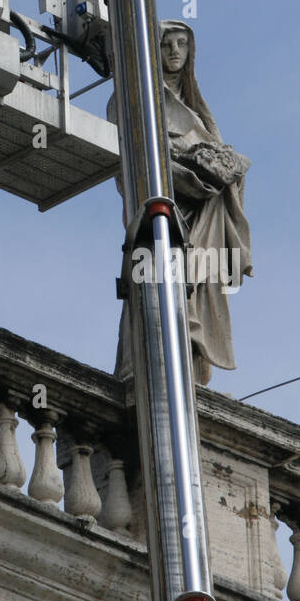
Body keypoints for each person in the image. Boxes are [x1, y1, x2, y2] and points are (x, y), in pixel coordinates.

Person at [112, 20, 253, 385]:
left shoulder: (199, 111)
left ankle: (191, 368)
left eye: (182, 45)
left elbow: (221, 164)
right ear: (152, 51)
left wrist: (224, 165)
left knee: (197, 287)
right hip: (166, 210)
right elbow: (136, 153)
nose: (175, 52)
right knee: (163, 281)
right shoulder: (138, 96)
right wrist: (195, 162)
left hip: (204, 214)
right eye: (166, 45)